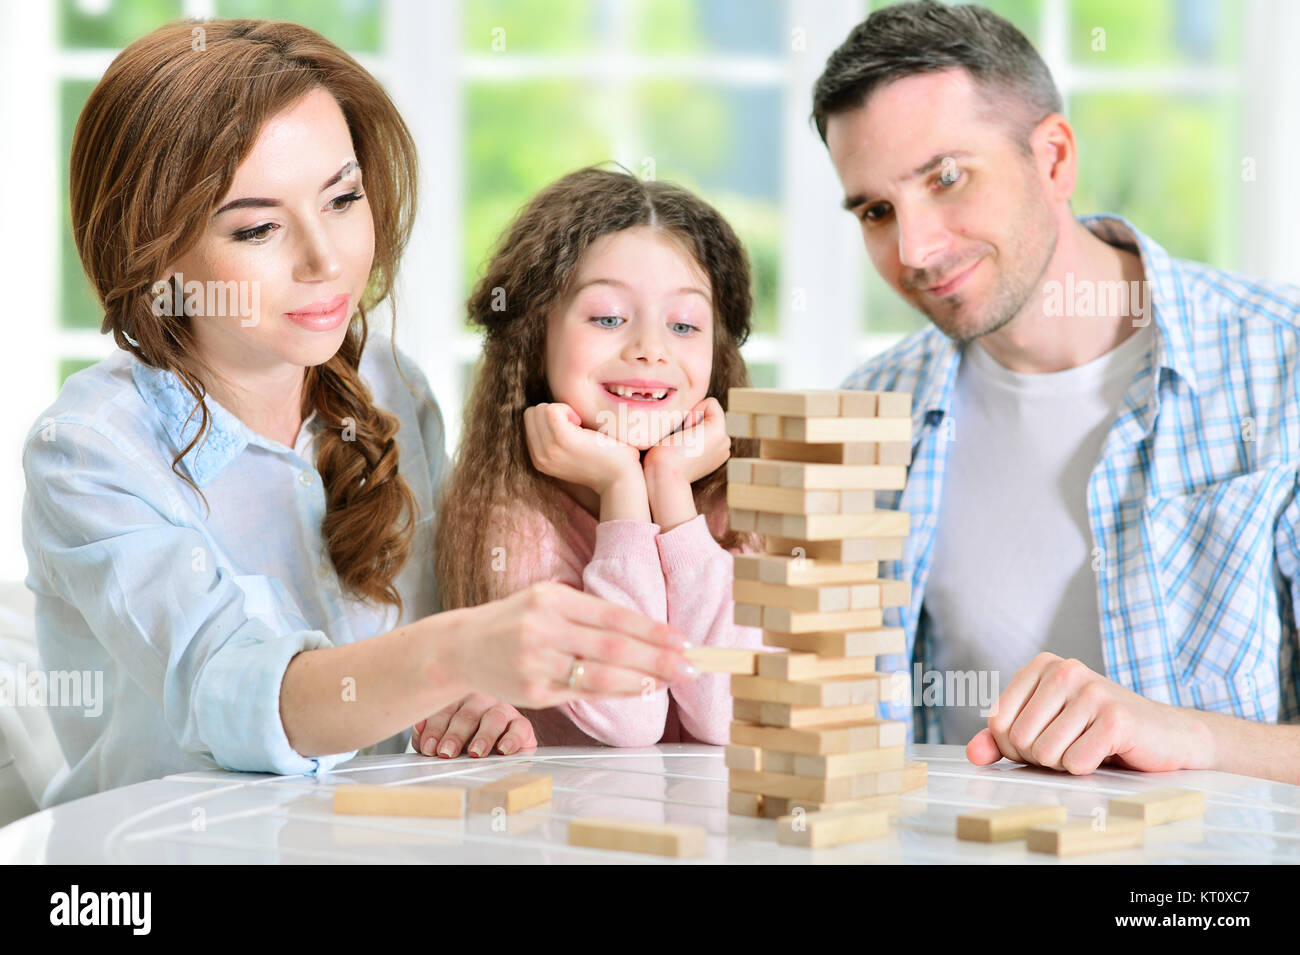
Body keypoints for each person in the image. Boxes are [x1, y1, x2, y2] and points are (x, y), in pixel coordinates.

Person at [22, 19, 692, 807]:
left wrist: (464, 705)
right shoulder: (92, 448)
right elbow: (227, 690)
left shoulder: (391, 386)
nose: (327, 259)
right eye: (258, 227)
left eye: (343, 198)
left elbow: (414, 678)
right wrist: (455, 655)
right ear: (152, 246)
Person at [813, 0, 1300, 781]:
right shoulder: (869, 415)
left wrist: (1194, 737)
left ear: (1054, 159)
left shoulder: (1282, 361)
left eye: (946, 177)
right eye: (877, 210)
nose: (915, 249)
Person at [426, 167, 764, 751]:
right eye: (608, 318)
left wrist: (673, 495)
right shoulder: (513, 522)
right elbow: (629, 723)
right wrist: (622, 488)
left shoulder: (741, 504)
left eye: (684, 324)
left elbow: (729, 715)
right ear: (537, 338)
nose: (650, 349)